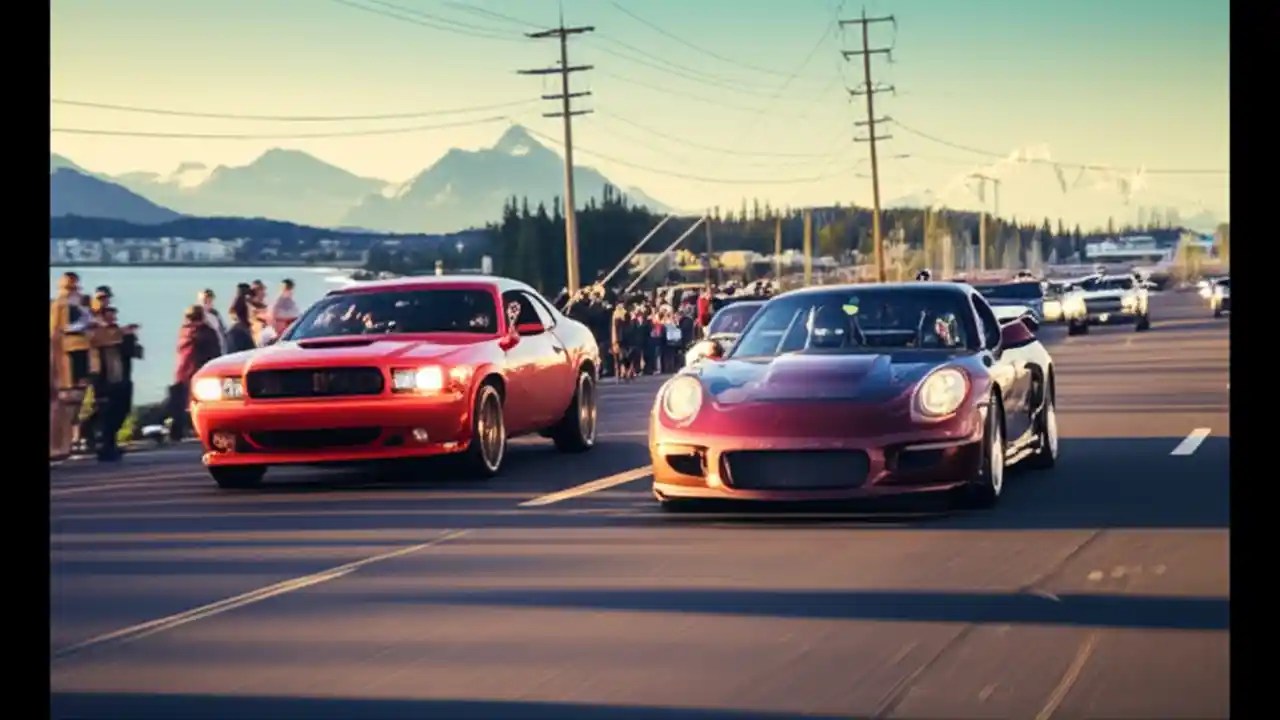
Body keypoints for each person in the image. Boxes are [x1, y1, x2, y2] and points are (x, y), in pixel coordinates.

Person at [50, 273, 97, 461]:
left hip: (81, 355)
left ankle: (67, 443)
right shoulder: (59, 305)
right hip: (68, 356)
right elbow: (56, 333)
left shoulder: (80, 306)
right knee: (63, 404)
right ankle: (58, 445)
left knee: (76, 402)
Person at [90, 306, 142, 461]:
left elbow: (131, 352)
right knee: (107, 414)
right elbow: (101, 341)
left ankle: (111, 443)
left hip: (121, 378)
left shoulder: (117, 331)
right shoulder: (96, 331)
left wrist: (130, 337)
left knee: (121, 412)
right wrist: (122, 334)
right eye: (109, 315)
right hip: (105, 379)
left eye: (113, 315)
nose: (112, 318)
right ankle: (104, 446)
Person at [168, 305, 221, 442]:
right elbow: (215, 351)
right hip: (200, 371)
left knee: (180, 402)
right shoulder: (205, 332)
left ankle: (177, 430)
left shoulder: (184, 331)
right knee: (204, 403)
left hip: (182, 370)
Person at [199, 288, 229, 354]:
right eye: (204, 301)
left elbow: (224, 329)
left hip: (220, 348)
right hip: (207, 349)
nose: (207, 304)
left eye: (210, 301)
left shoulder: (215, 314)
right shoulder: (198, 315)